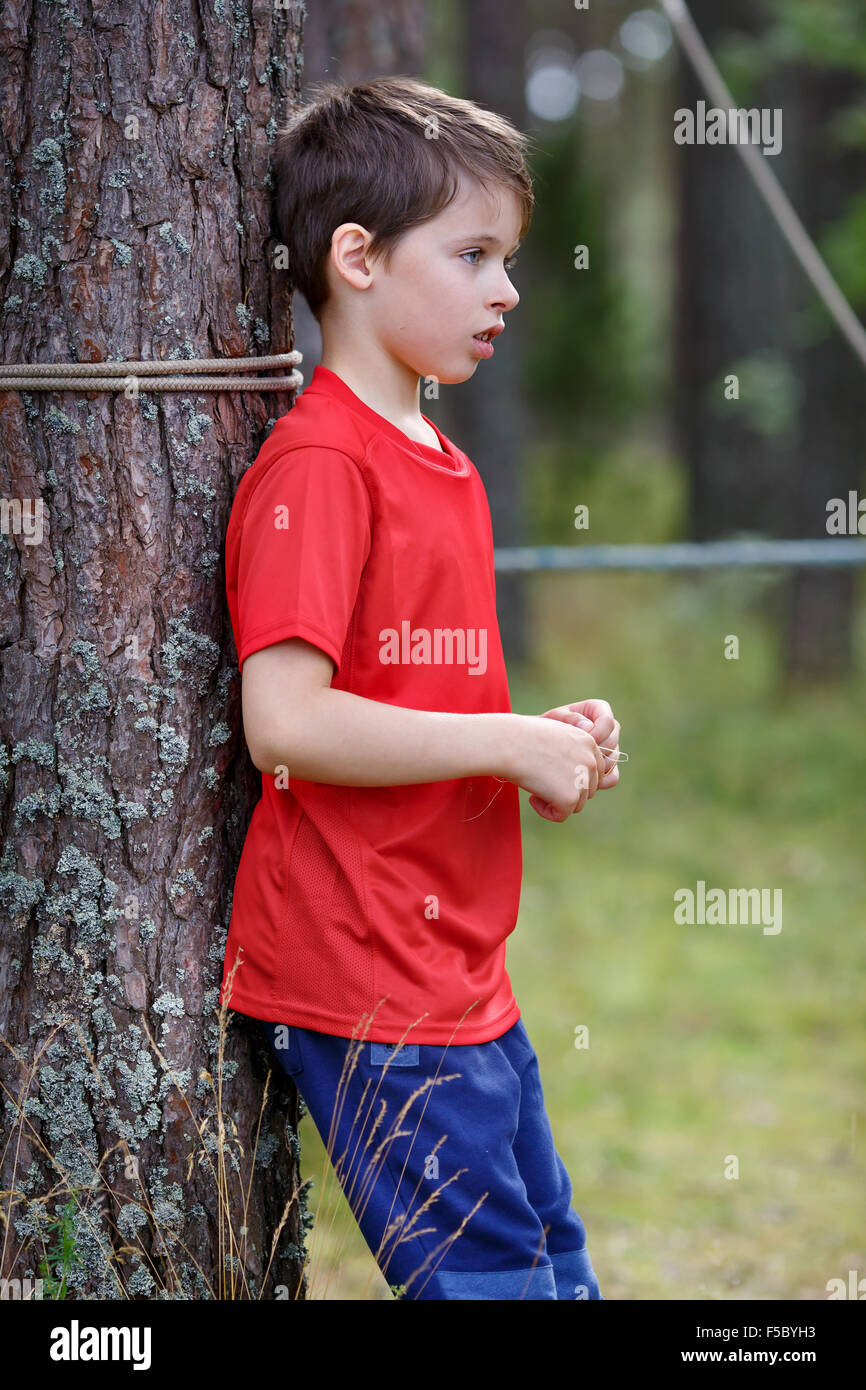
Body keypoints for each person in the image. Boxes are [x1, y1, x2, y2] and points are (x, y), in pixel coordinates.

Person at [220, 75, 622, 1300]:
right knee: (493, 1277)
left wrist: (537, 738)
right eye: (473, 253)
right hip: (367, 969)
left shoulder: (436, 458)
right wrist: (504, 745)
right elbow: (283, 722)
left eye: (507, 256)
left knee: (550, 1256)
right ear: (356, 256)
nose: (505, 289)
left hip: (460, 961)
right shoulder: (322, 464)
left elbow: (425, 690)